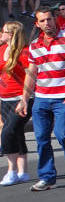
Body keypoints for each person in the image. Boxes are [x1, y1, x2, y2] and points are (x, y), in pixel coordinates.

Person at [17, 5, 65, 190]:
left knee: (62, 134)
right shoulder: (34, 46)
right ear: (37, 24)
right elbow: (31, 73)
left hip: (63, 96)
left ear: (54, 19)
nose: (47, 23)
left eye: (49, 19)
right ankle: (47, 177)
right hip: (41, 97)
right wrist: (24, 98)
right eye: (42, 20)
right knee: (41, 137)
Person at [0, 20, 28, 185]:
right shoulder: (2, 49)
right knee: (17, 133)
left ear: (11, 34)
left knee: (8, 132)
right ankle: (23, 172)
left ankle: (10, 171)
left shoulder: (24, 52)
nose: (1, 33)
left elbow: (30, 77)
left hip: (21, 98)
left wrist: (24, 99)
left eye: (3, 31)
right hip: (5, 98)